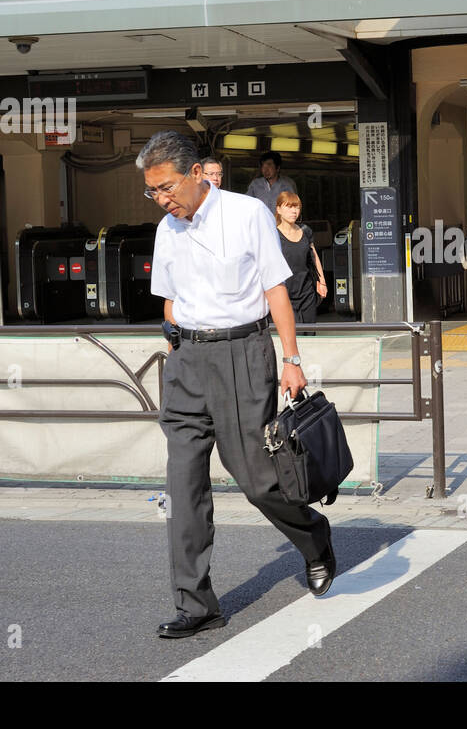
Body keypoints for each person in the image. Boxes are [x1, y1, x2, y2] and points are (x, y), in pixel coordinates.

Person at [139, 130, 334, 640]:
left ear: (195, 174)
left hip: (243, 355)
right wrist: (177, 345)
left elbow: (276, 289)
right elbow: (169, 300)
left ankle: (313, 536)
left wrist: (291, 358)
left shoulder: (247, 214)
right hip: (187, 362)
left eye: (166, 188)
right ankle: (196, 603)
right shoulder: (166, 230)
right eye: (152, 192)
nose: (161, 200)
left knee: (256, 480)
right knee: (182, 487)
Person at [274, 191, 327, 326]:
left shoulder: (305, 230)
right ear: (279, 209)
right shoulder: (273, 234)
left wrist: (322, 282)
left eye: (297, 207)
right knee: (292, 332)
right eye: (289, 207)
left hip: (306, 291)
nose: (294, 211)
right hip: (284, 292)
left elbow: (313, 257)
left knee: (309, 333)